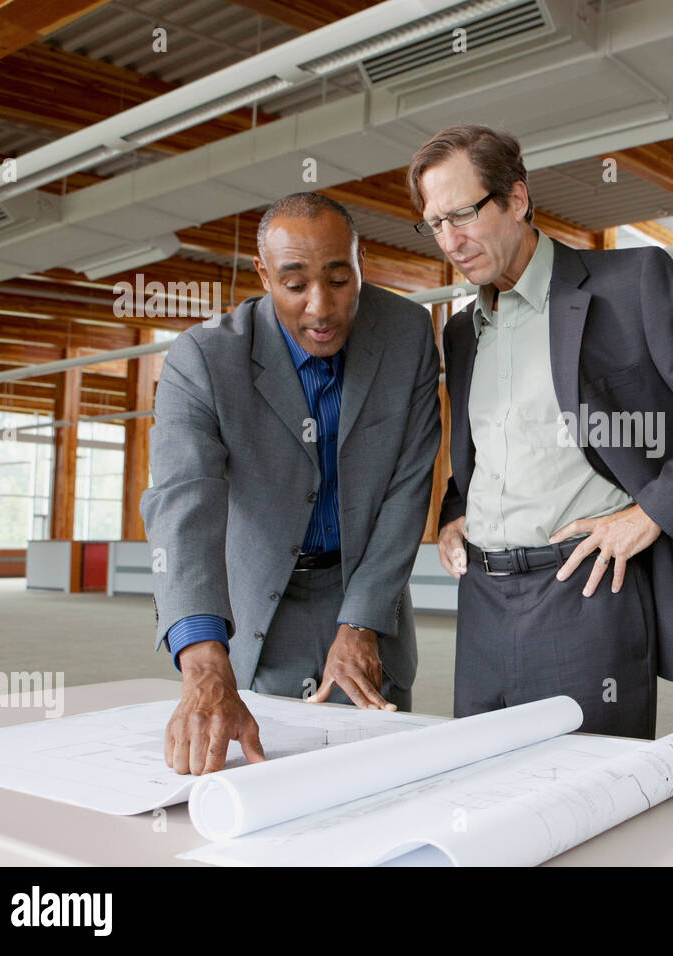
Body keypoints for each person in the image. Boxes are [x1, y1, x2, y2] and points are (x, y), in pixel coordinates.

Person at [408, 125, 673, 740]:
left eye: (463, 213)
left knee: (589, 802)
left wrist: (653, 512)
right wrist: (455, 510)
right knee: (481, 791)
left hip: (584, 593)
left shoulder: (630, 285)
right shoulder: (461, 332)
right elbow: (483, 451)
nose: (449, 240)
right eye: (434, 223)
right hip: (480, 601)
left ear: (516, 199)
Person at [141, 192, 441, 775]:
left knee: (380, 780)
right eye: (295, 284)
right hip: (257, 605)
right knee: (263, 780)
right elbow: (184, 503)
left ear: (361, 264)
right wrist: (203, 660)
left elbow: (408, 487)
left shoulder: (406, 335)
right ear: (263, 274)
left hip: (368, 595)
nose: (321, 308)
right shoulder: (203, 357)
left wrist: (361, 622)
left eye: (339, 279)